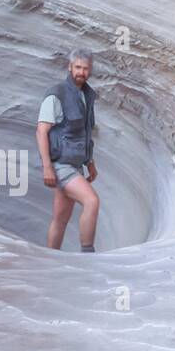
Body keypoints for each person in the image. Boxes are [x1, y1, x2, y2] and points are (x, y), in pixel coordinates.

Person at [36, 50, 99, 252]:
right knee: (91, 201)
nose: (81, 72)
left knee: (60, 219)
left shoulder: (87, 96)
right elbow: (41, 131)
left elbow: (86, 132)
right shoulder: (56, 95)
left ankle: (49, 258)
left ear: (90, 70)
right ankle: (88, 253)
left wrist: (90, 163)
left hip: (77, 164)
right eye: (78, 67)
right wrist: (47, 167)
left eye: (85, 68)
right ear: (69, 67)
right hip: (61, 165)